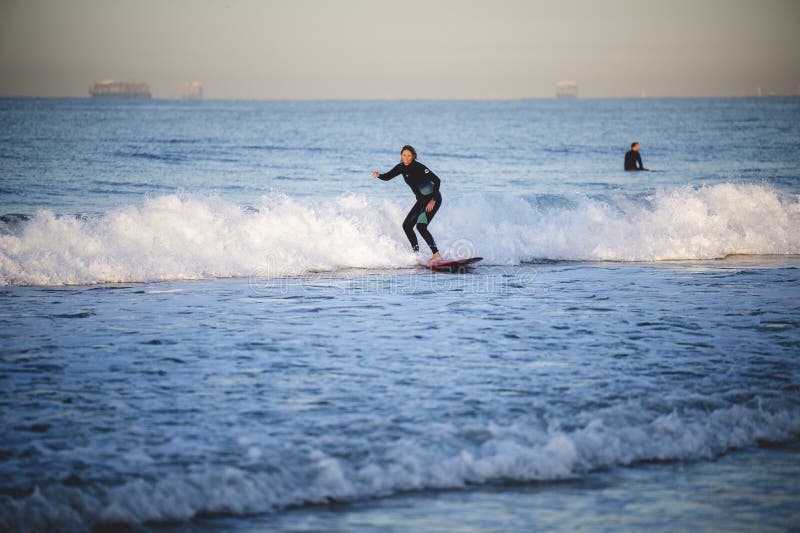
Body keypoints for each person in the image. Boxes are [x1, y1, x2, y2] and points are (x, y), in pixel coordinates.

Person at [373, 145, 443, 264]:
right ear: (401, 155)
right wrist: (379, 176)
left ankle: (436, 255)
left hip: (433, 199)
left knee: (421, 227)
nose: (406, 158)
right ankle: (416, 255)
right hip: (421, 201)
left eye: (409, 156)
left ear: (413, 156)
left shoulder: (419, 167)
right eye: (404, 155)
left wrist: (433, 200)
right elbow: (388, 176)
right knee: (407, 226)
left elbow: (437, 180)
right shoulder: (401, 167)